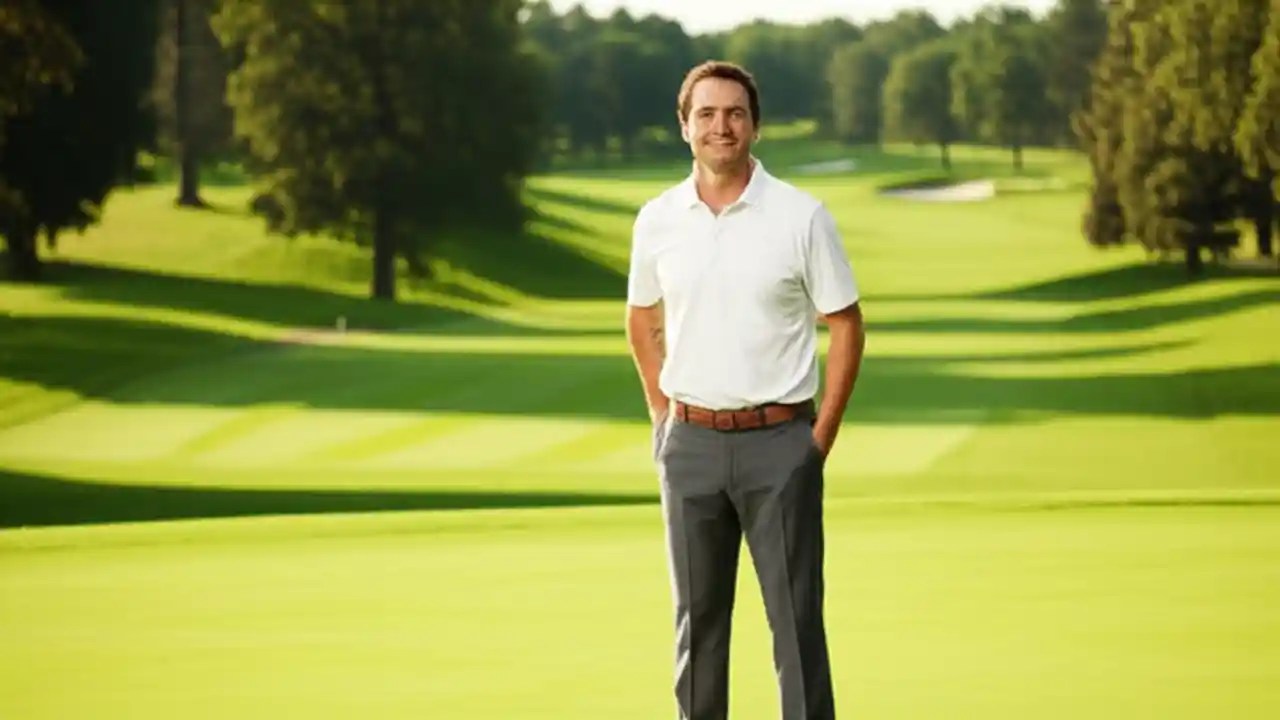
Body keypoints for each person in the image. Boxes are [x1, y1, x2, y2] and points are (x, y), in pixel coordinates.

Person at [625, 60, 866, 720]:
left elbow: (845, 324)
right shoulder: (657, 221)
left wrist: (815, 442)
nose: (720, 126)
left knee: (795, 629)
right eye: (705, 114)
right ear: (684, 126)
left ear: (755, 125)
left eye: (734, 113)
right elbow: (642, 319)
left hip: (780, 445)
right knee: (697, 632)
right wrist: (661, 418)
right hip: (691, 446)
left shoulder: (802, 217)